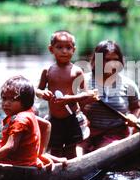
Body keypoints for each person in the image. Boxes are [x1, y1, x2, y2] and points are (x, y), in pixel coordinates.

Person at [0, 75, 65, 168]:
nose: (6, 103)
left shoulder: (20, 119)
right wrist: (40, 153)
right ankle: (42, 157)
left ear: (25, 102)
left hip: (18, 162)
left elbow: (10, 147)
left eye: (12, 100)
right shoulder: (27, 113)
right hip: (26, 157)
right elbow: (46, 125)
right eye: (4, 99)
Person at [36, 30, 97, 159]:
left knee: (71, 150)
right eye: (59, 47)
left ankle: (72, 171)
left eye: (68, 48)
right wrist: (43, 93)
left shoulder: (77, 71)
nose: (64, 51)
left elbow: (86, 94)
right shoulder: (48, 71)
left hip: (71, 118)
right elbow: (37, 91)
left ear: (73, 50)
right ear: (51, 49)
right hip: (54, 119)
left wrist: (70, 98)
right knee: (55, 150)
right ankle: (56, 171)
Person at [78, 40, 140, 154]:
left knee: (102, 152)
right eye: (107, 60)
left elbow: (136, 107)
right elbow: (73, 108)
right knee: (75, 153)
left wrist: (133, 116)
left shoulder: (128, 84)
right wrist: (84, 103)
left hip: (115, 133)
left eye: (116, 60)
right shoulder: (83, 82)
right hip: (85, 133)